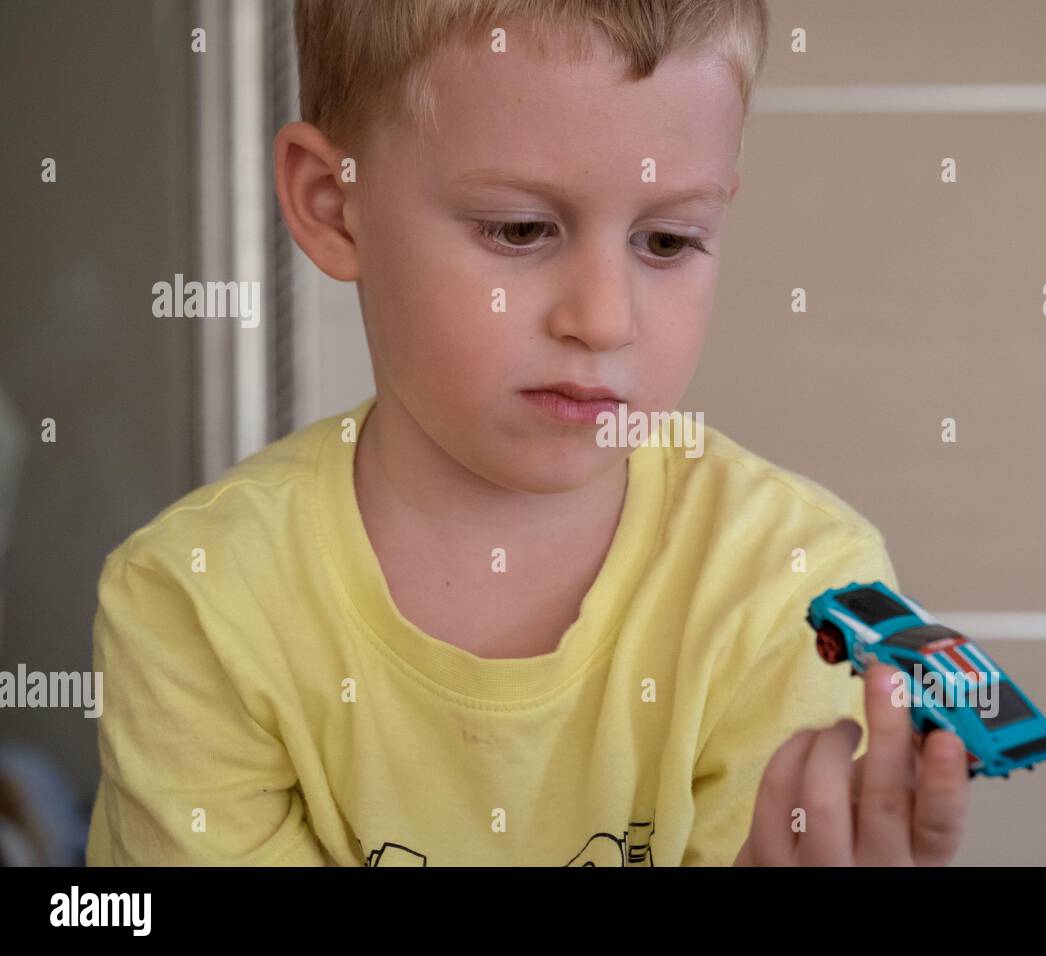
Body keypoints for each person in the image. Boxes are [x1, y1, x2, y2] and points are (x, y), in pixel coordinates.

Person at [86, 0, 968, 867]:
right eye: (519, 229)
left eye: (666, 240)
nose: (605, 319)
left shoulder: (800, 588)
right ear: (331, 202)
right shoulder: (194, 604)